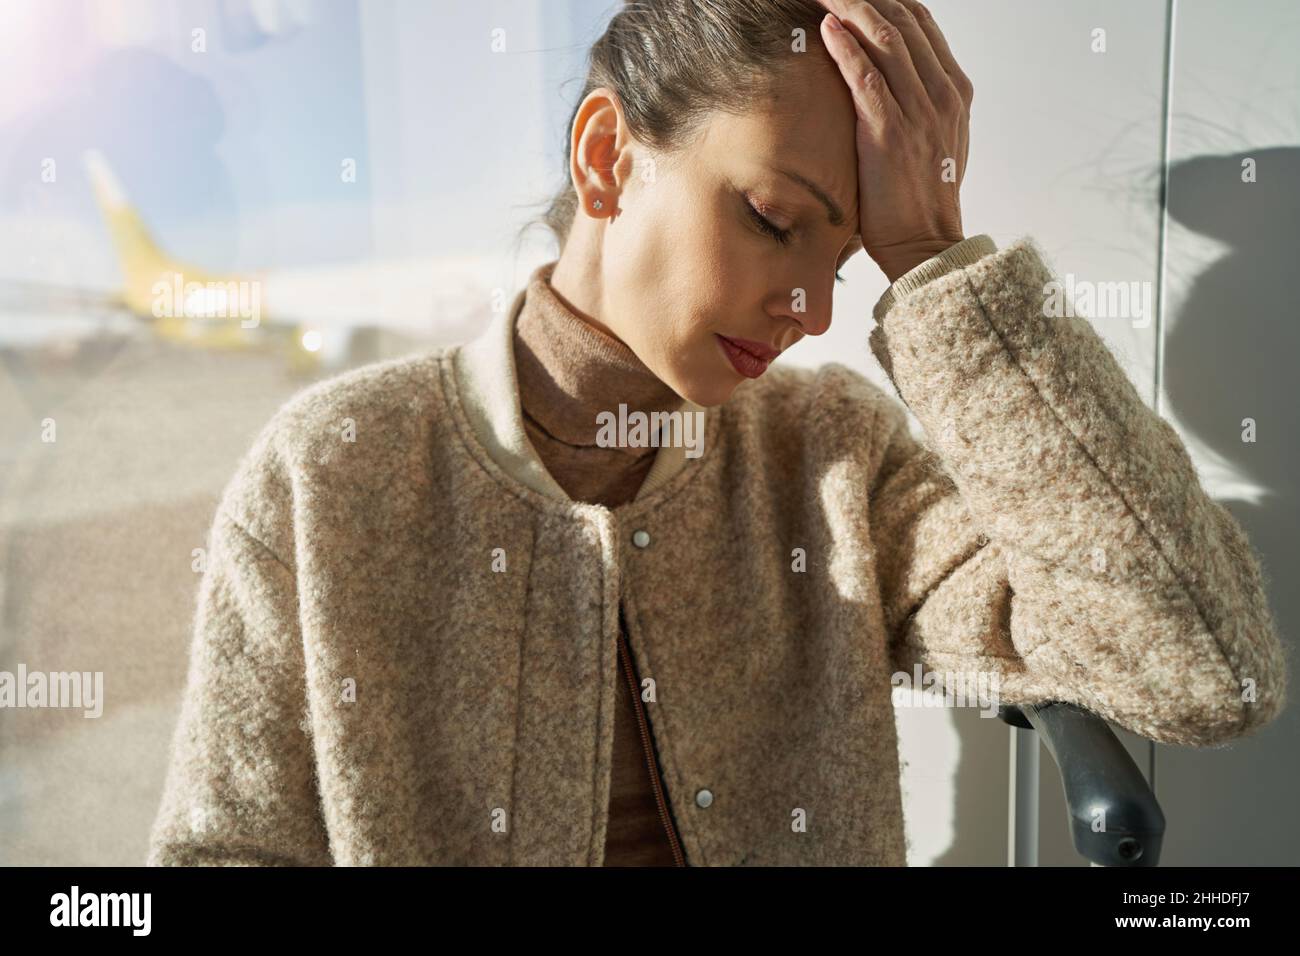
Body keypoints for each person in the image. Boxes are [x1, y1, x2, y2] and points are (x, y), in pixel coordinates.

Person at [147, 0, 1289, 867]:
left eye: (845, 260)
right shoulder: (335, 469)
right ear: (605, 159)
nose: (815, 311)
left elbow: (1203, 672)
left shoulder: (827, 453)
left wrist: (934, 264)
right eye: (774, 220)